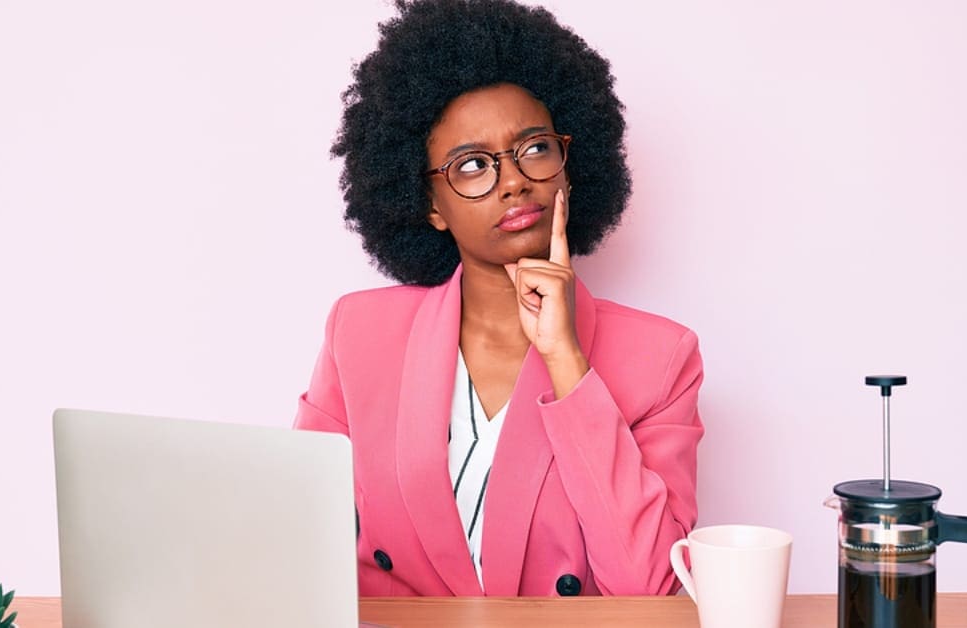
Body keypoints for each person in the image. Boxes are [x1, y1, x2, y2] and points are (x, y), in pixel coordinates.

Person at [294, 0, 703, 597]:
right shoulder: (358, 334)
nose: (513, 180)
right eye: (472, 164)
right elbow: (296, 534)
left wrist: (566, 361)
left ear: (569, 166)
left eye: (535, 148)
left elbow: (651, 588)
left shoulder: (662, 357)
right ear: (431, 204)